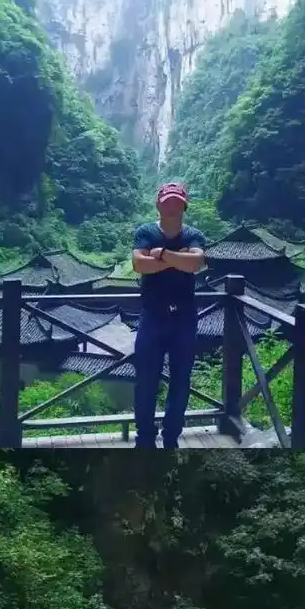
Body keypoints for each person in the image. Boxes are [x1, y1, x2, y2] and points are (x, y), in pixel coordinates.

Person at [131, 182, 206, 448]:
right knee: (146, 381)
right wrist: (177, 259)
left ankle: (171, 436)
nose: (171, 206)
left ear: (184, 205)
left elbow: (195, 263)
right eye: (167, 202)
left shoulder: (193, 234)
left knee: (181, 381)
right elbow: (139, 264)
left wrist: (161, 255)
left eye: (176, 202)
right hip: (152, 317)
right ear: (158, 205)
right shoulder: (146, 232)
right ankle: (145, 438)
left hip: (184, 319)